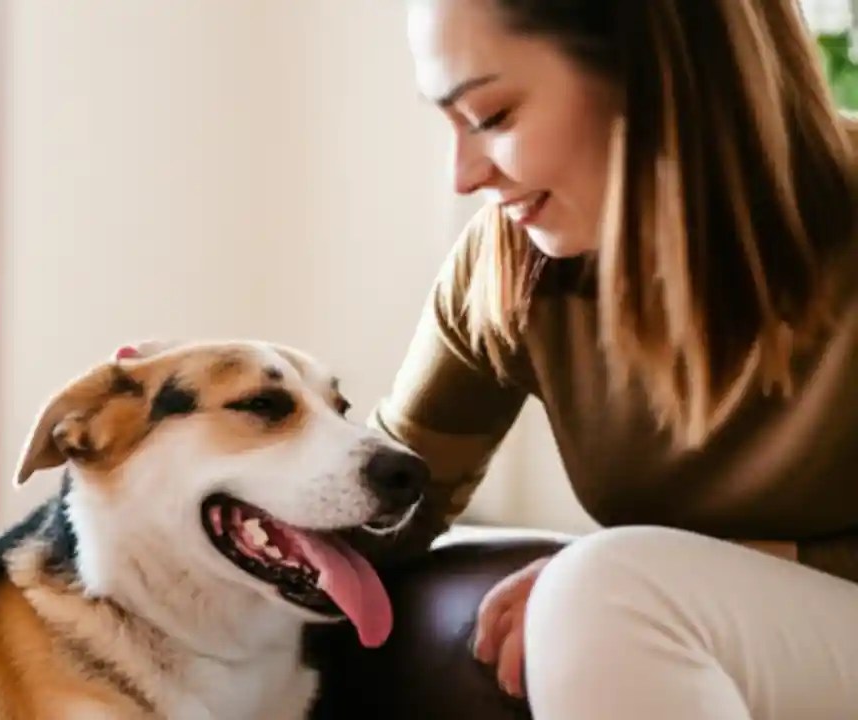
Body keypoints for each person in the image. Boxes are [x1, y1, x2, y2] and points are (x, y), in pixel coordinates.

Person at [362, 0, 858, 717]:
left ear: (658, 75)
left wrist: (690, 572)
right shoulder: (507, 272)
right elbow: (382, 508)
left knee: (603, 590)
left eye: (494, 116)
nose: (463, 177)